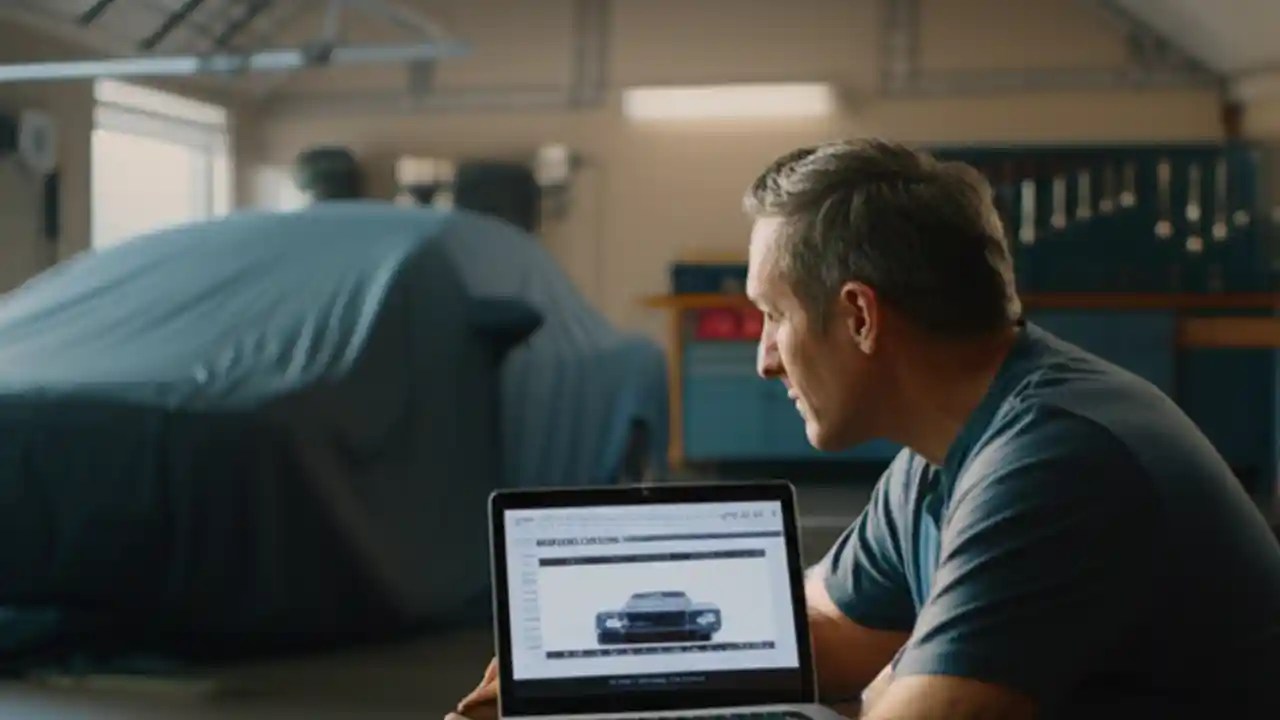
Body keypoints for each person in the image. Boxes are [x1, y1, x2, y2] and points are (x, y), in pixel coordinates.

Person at [448, 140, 1280, 719]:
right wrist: (576, 679)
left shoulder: (1056, 460)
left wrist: (884, 693)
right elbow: (822, 632)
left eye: (774, 316)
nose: (766, 359)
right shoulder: (949, 453)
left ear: (859, 317)